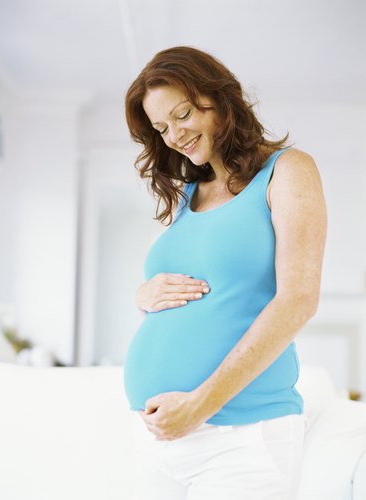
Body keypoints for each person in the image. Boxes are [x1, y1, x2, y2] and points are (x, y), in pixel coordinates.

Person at [123, 46, 327, 500]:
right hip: (157, 437)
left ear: (221, 97)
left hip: (240, 437)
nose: (174, 135)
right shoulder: (188, 194)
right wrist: (144, 293)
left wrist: (200, 405)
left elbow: (299, 300)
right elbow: (191, 286)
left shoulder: (288, 170)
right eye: (161, 127)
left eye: (183, 113)